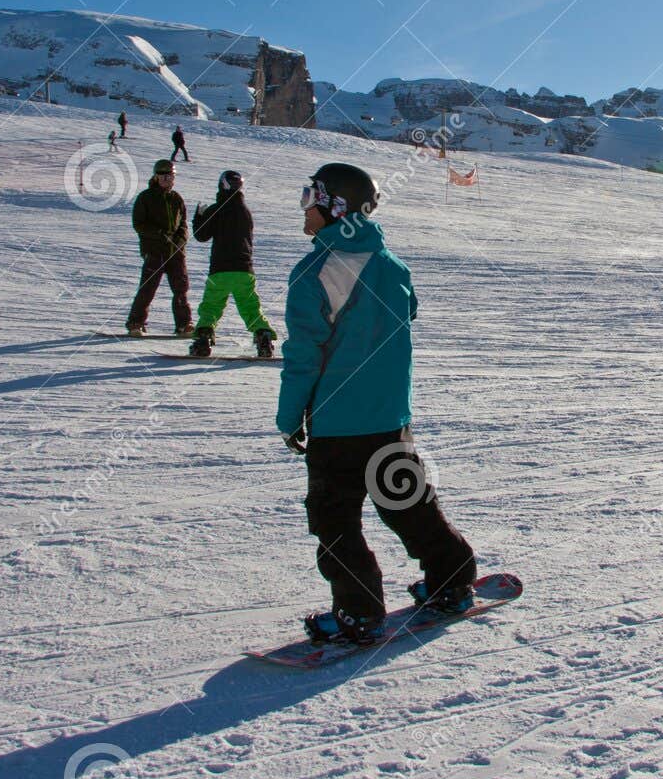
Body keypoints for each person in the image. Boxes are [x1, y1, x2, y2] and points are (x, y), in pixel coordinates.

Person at [277, 162, 477, 646]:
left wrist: (289, 418)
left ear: (336, 206)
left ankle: (359, 612)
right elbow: (409, 311)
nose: (305, 206)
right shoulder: (393, 265)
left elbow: (303, 355)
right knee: (408, 503)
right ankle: (452, 582)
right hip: (390, 421)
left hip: (338, 427)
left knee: (335, 521)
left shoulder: (315, 271)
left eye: (312, 197)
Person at [189, 170, 275, 358]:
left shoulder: (217, 209)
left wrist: (198, 217)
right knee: (250, 306)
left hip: (220, 269)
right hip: (244, 269)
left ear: (222, 185)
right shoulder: (245, 211)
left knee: (211, 305)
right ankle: (263, 335)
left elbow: (201, 235)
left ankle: (203, 338)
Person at [125, 158, 193, 335]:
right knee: (148, 288)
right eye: (162, 175)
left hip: (175, 251)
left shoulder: (176, 198)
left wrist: (181, 239)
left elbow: (183, 223)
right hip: (155, 250)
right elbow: (139, 223)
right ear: (155, 176)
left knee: (181, 289)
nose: (166, 178)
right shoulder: (146, 197)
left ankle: (183, 325)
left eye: (170, 175)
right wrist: (159, 233)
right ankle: (136, 323)